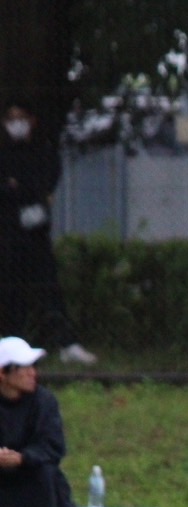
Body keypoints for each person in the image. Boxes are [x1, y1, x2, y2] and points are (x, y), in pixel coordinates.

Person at [0, 103, 94, 365]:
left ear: (32, 120)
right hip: (8, 238)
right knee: (11, 295)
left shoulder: (43, 153)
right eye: (10, 118)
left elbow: (40, 186)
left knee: (49, 290)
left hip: (36, 235)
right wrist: (17, 190)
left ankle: (67, 343)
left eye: (21, 118)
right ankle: (12, 350)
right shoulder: (4, 154)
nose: (15, 123)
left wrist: (17, 188)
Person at [0, 336, 74, 507]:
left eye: (34, 367)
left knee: (47, 472)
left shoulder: (44, 401)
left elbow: (52, 446)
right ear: (3, 373)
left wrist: (22, 458)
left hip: (29, 474)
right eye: (25, 368)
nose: (33, 373)